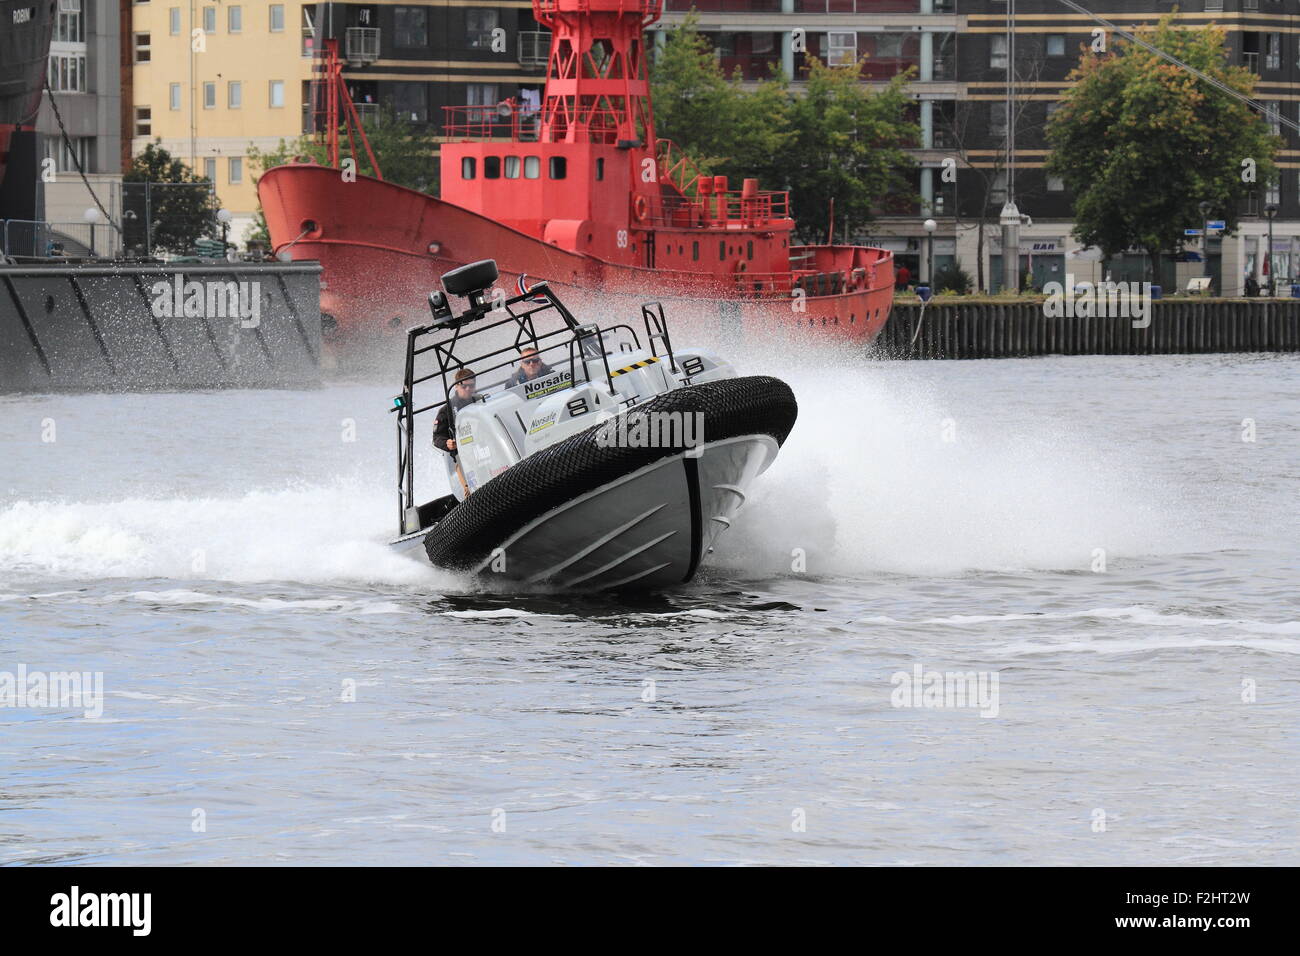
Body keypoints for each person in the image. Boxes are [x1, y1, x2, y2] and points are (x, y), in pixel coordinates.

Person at [432, 368, 478, 454]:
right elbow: (436, 438)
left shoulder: (481, 401)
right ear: (456, 386)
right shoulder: (446, 410)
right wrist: (447, 443)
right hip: (463, 457)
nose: (468, 389)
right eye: (464, 386)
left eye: (471, 386)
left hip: (484, 447)